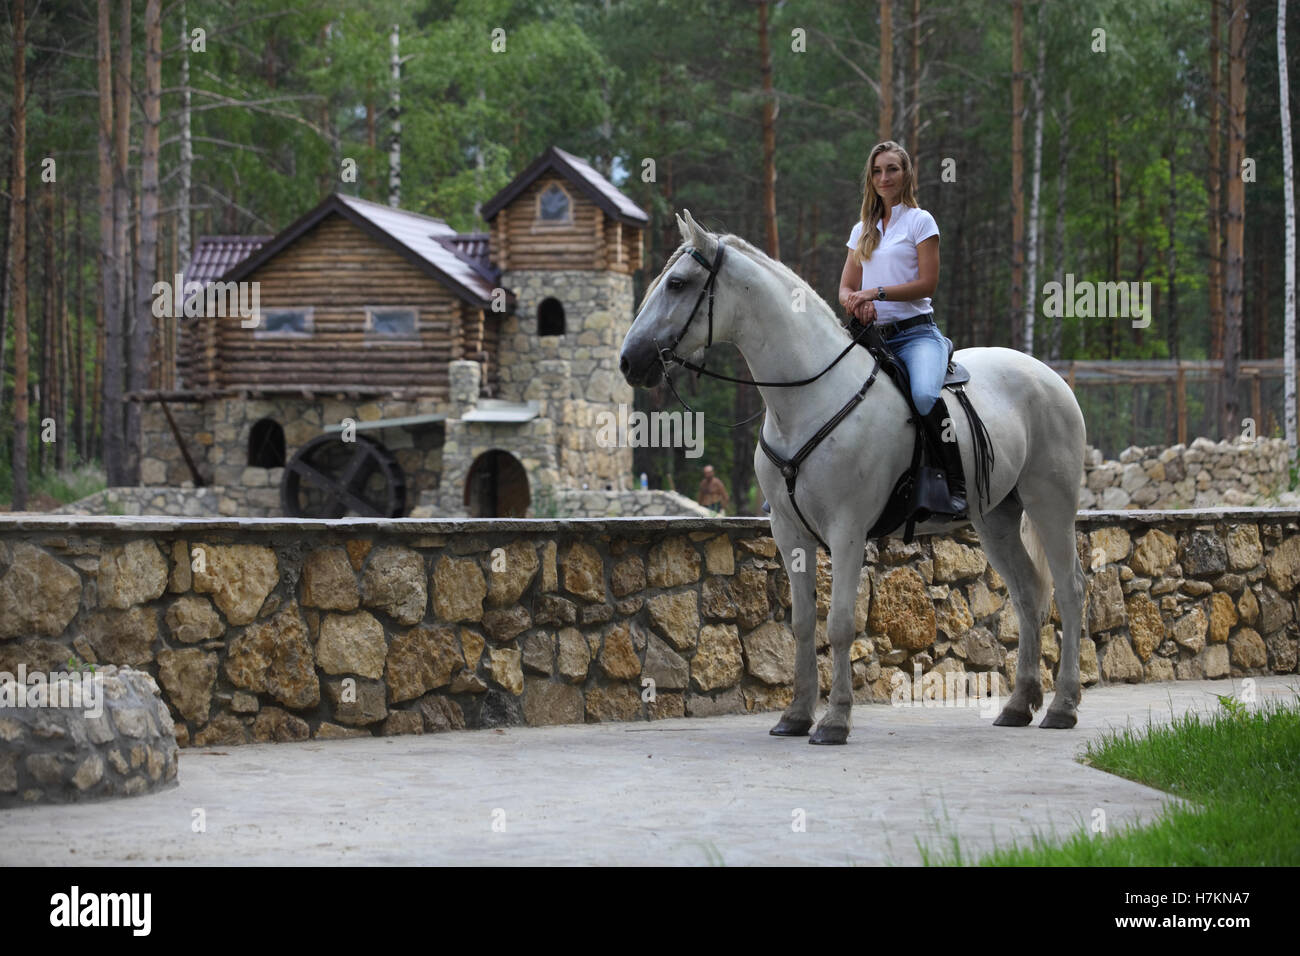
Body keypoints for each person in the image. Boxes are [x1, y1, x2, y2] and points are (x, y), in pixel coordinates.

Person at [837, 140, 966, 518]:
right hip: (872, 337)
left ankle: (953, 486)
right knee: (825, 388)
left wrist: (875, 292)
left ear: (906, 173)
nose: (884, 177)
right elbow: (845, 285)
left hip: (915, 334)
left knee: (924, 396)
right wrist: (853, 302)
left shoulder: (920, 221)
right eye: (877, 171)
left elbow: (927, 284)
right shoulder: (862, 229)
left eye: (892, 169)